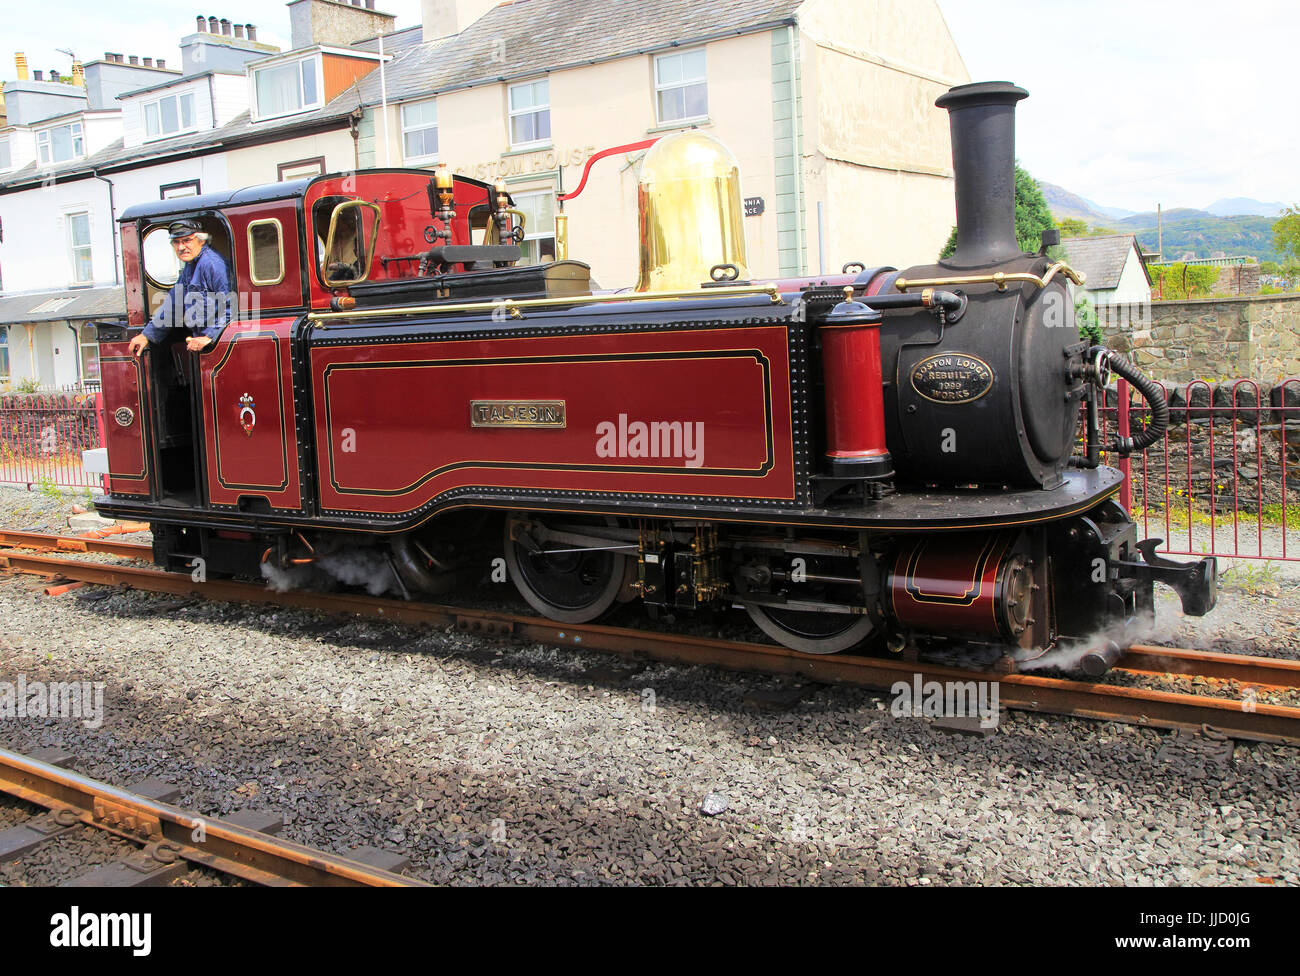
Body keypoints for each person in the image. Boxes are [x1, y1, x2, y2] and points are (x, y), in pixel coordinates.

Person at [129, 219, 234, 357]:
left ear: (201, 241)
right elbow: (173, 304)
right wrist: (146, 335)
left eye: (187, 240)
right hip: (202, 340)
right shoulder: (190, 267)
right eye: (176, 242)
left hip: (218, 343)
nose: (181, 247)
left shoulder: (213, 264)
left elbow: (231, 305)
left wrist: (210, 336)